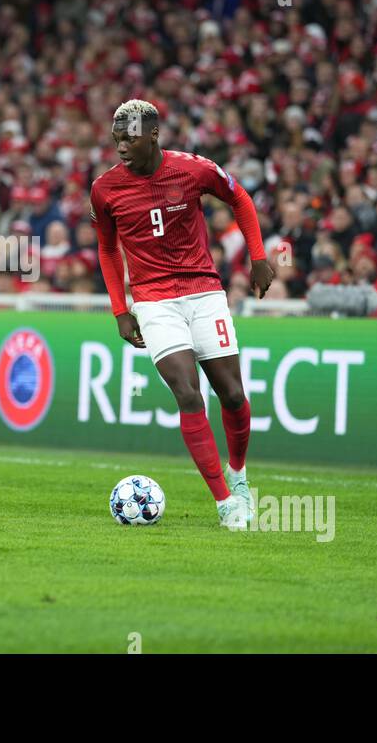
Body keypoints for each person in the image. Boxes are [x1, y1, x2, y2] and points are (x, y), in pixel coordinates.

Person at [90, 100, 273, 531]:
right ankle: (226, 503)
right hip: (153, 300)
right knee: (189, 394)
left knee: (232, 395)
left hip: (204, 291)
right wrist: (121, 309)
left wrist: (259, 256)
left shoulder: (193, 169)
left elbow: (239, 198)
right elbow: (106, 248)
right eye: (117, 138)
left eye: (130, 136)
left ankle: (239, 476)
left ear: (153, 134)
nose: (121, 146)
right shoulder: (105, 189)